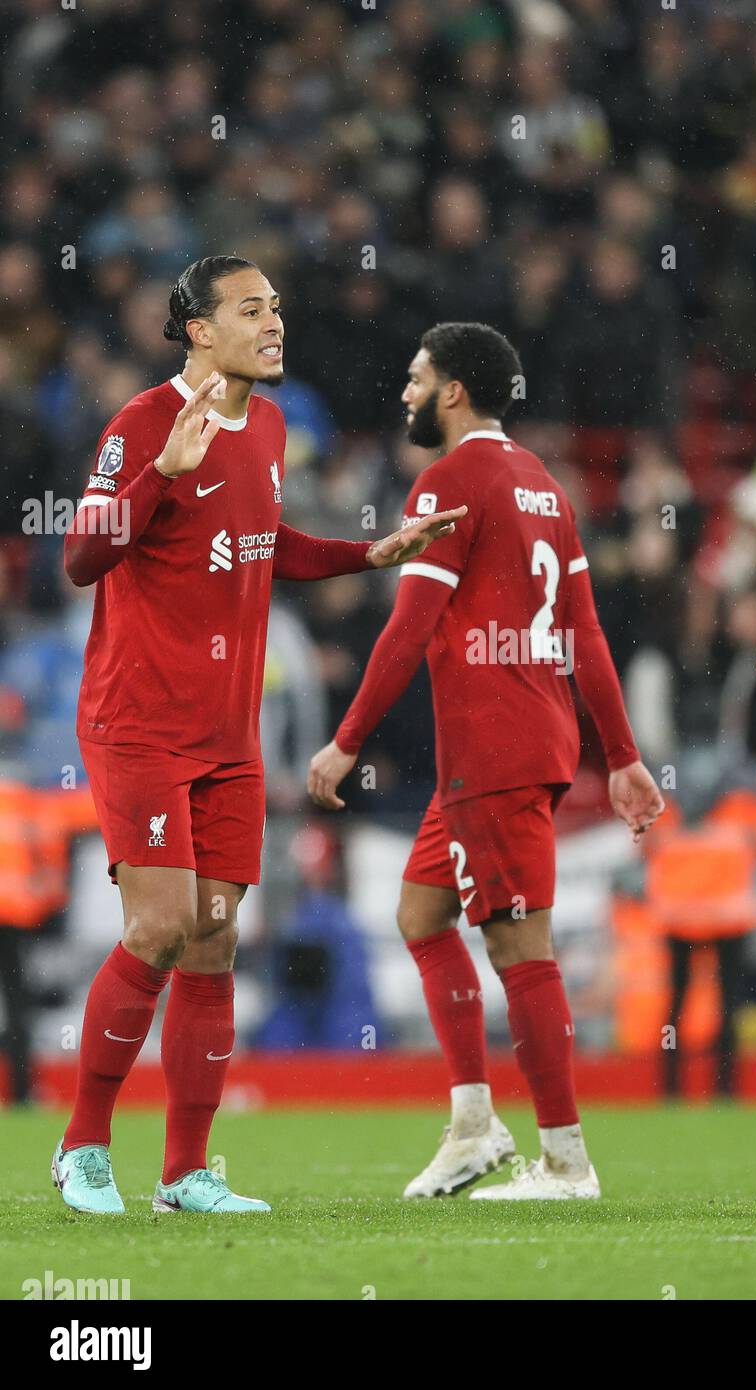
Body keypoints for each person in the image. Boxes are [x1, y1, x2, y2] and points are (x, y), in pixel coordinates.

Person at [53, 256, 464, 1216]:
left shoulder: (273, 425)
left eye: (277, 307)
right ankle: (81, 1150)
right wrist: (160, 476)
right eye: (250, 309)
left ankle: (186, 1174)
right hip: (140, 724)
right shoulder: (144, 425)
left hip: (229, 734)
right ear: (198, 329)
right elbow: (81, 557)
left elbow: (259, 543)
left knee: (213, 940)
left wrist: (368, 552)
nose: (274, 323)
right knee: (155, 928)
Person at [308, 322, 664, 1199]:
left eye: (415, 376)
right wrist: (618, 755)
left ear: (454, 392)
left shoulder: (450, 480)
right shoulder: (544, 486)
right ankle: (473, 1124)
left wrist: (346, 739)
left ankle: (566, 1160)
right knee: (423, 916)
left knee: (519, 946)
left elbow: (408, 626)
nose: (404, 392)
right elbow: (583, 632)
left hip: (494, 745)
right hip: (524, 737)